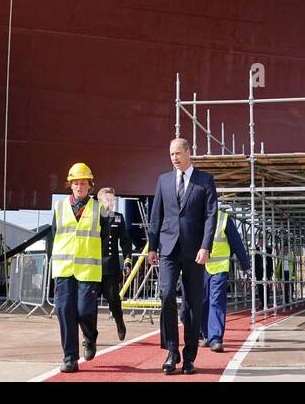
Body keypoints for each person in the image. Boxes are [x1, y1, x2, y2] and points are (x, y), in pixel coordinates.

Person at [148, 138, 217, 375]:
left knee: (191, 304)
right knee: (166, 295)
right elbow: (156, 216)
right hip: (168, 249)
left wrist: (206, 246)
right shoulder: (163, 181)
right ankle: (171, 351)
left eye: (178, 153)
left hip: (194, 251)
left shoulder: (205, 180)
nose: (174, 157)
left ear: (188, 153)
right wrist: (152, 247)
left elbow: (211, 216)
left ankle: (189, 357)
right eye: (171, 154)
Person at [52, 162, 103, 373]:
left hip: (88, 270)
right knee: (64, 311)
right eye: (75, 183)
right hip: (63, 268)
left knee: (83, 311)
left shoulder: (100, 208)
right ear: (70, 185)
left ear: (90, 185)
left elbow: (107, 239)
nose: (79, 186)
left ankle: (90, 338)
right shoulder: (60, 207)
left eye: (83, 183)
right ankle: (70, 358)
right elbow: (53, 235)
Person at [201, 208, 251, 352]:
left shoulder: (224, 219)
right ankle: (205, 334)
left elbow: (236, 243)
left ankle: (215, 338)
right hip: (199, 267)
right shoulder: (195, 214)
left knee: (216, 301)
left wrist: (245, 265)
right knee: (201, 302)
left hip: (219, 267)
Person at [97, 187, 133, 342]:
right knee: (89, 304)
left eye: (113, 200)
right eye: (108, 199)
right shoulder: (92, 218)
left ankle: (119, 323)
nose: (111, 203)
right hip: (92, 266)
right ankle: (90, 336)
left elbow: (125, 241)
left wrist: (127, 261)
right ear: (99, 201)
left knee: (113, 299)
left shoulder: (118, 217)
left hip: (110, 266)